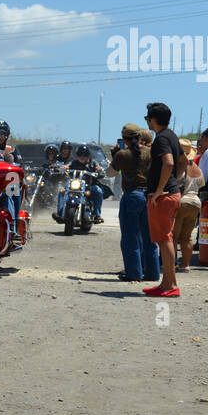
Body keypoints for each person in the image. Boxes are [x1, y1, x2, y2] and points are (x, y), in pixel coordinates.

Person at [106, 125, 159, 283]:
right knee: (149, 238)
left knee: (130, 238)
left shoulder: (123, 154)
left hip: (132, 196)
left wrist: (115, 156)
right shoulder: (151, 152)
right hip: (148, 196)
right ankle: (153, 273)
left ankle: (134, 273)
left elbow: (110, 173)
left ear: (125, 139)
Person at [143, 102, 185, 297]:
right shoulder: (172, 136)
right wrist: (173, 182)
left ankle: (170, 286)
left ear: (152, 119)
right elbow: (184, 161)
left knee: (164, 239)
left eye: (147, 119)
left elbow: (168, 162)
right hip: (172, 193)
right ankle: (166, 283)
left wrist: (161, 189)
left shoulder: (161, 139)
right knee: (165, 238)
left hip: (163, 197)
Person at [173, 138, 204, 272]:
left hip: (182, 201)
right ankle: (185, 265)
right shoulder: (197, 168)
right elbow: (201, 184)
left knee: (173, 237)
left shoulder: (178, 166)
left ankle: (171, 263)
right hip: (195, 202)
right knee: (187, 237)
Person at [68, 144, 106, 223]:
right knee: (62, 190)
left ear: (88, 155)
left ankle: (96, 215)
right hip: (75, 186)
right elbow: (67, 166)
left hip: (89, 187)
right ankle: (60, 211)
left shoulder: (93, 163)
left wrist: (99, 171)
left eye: (85, 155)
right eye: (80, 154)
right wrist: (62, 168)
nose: (82, 156)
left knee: (98, 191)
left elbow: (100, 170)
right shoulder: (74, 163)